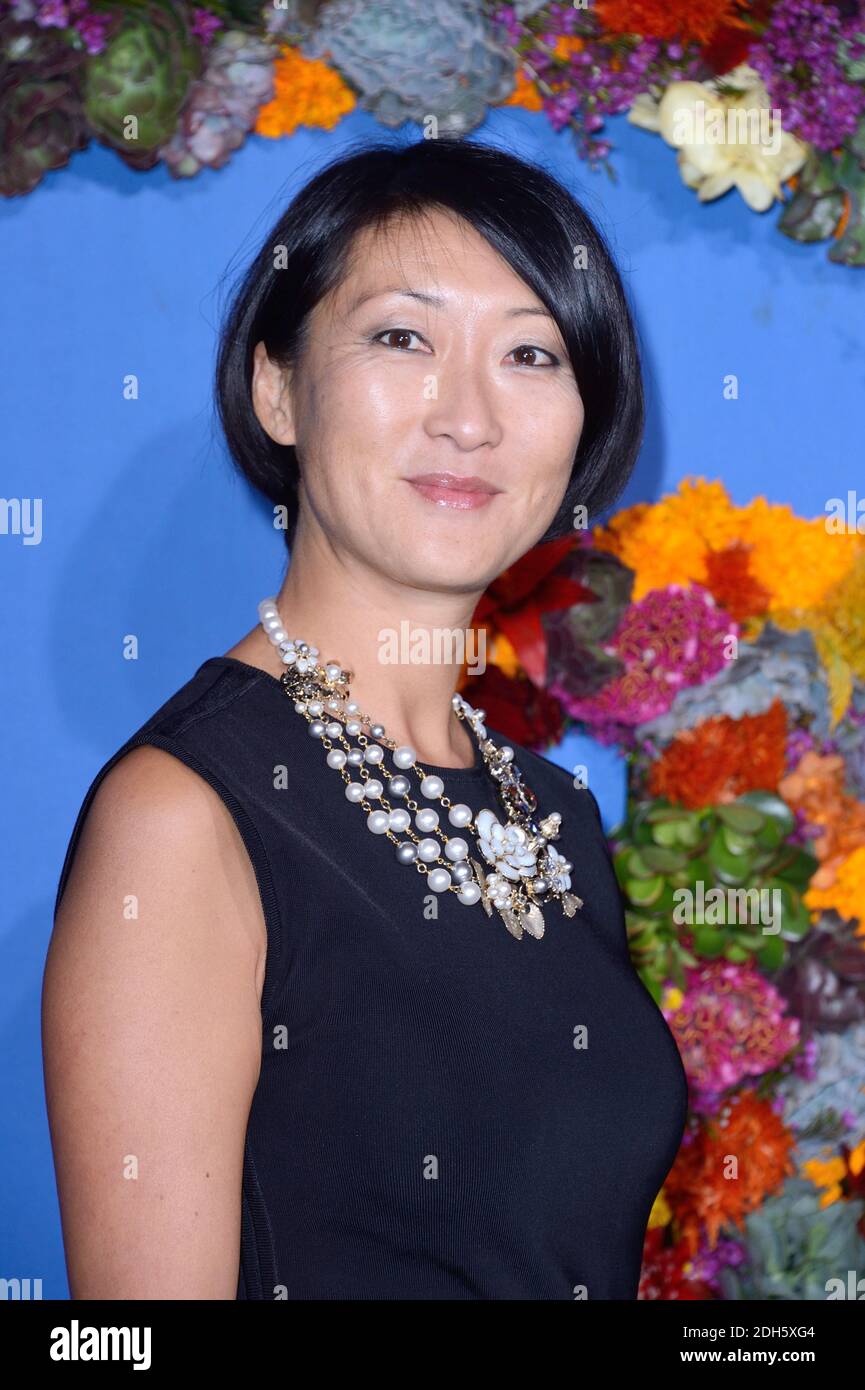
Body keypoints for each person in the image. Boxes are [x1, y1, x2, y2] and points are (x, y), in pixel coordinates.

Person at [43, 137, 688, 1301]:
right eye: (403, 337)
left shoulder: (547, 816)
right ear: (276, 387)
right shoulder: (189, 817)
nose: (470, 417)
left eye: (531, 353)